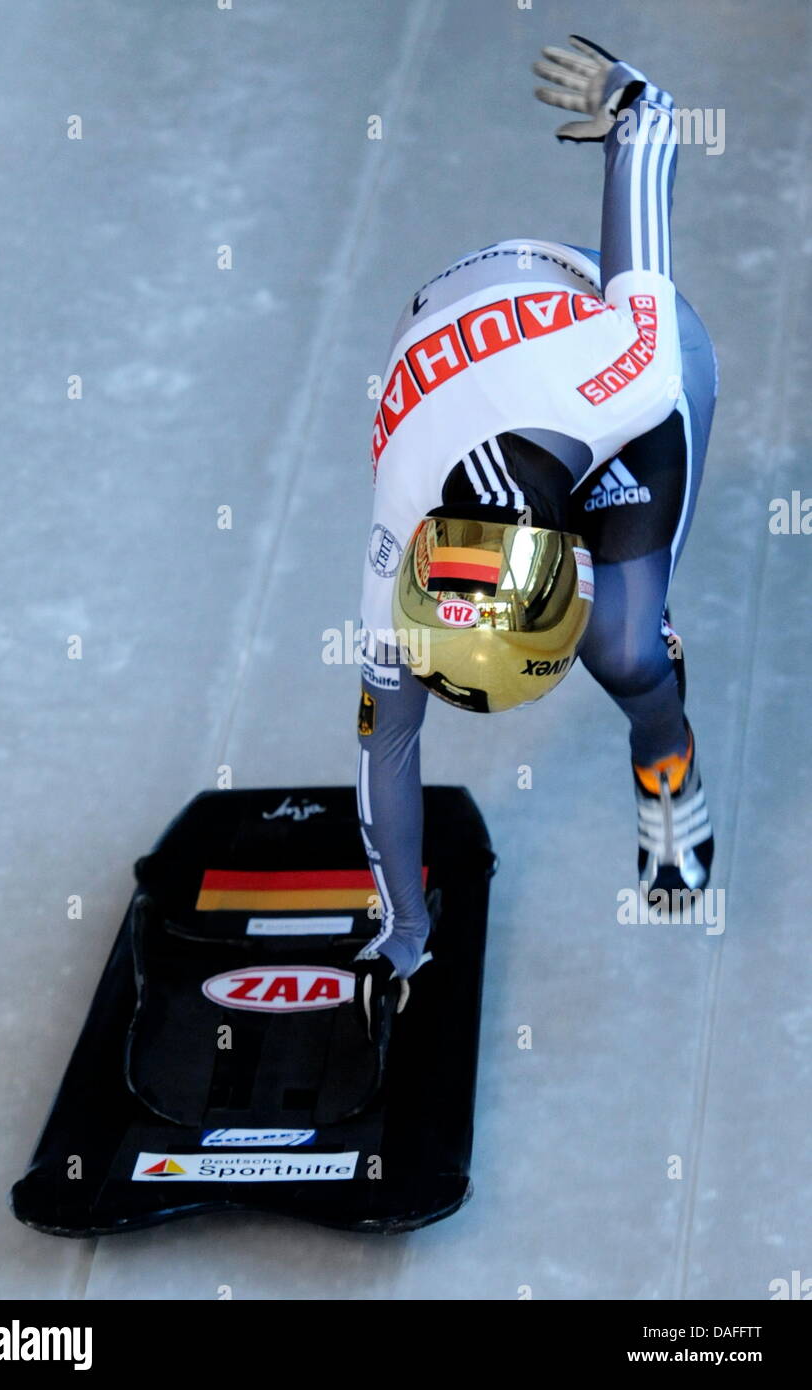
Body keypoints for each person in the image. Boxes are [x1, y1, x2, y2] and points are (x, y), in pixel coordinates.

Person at [354, 37, 717, 1027]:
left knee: (626, 649)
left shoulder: (631, 372)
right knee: (616, 641)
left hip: (591, 341)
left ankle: (666, 759)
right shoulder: (396, 528)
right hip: (485, 348)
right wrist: (399, 929)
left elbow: (653, 139)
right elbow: (385, 737)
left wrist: (632, 106)